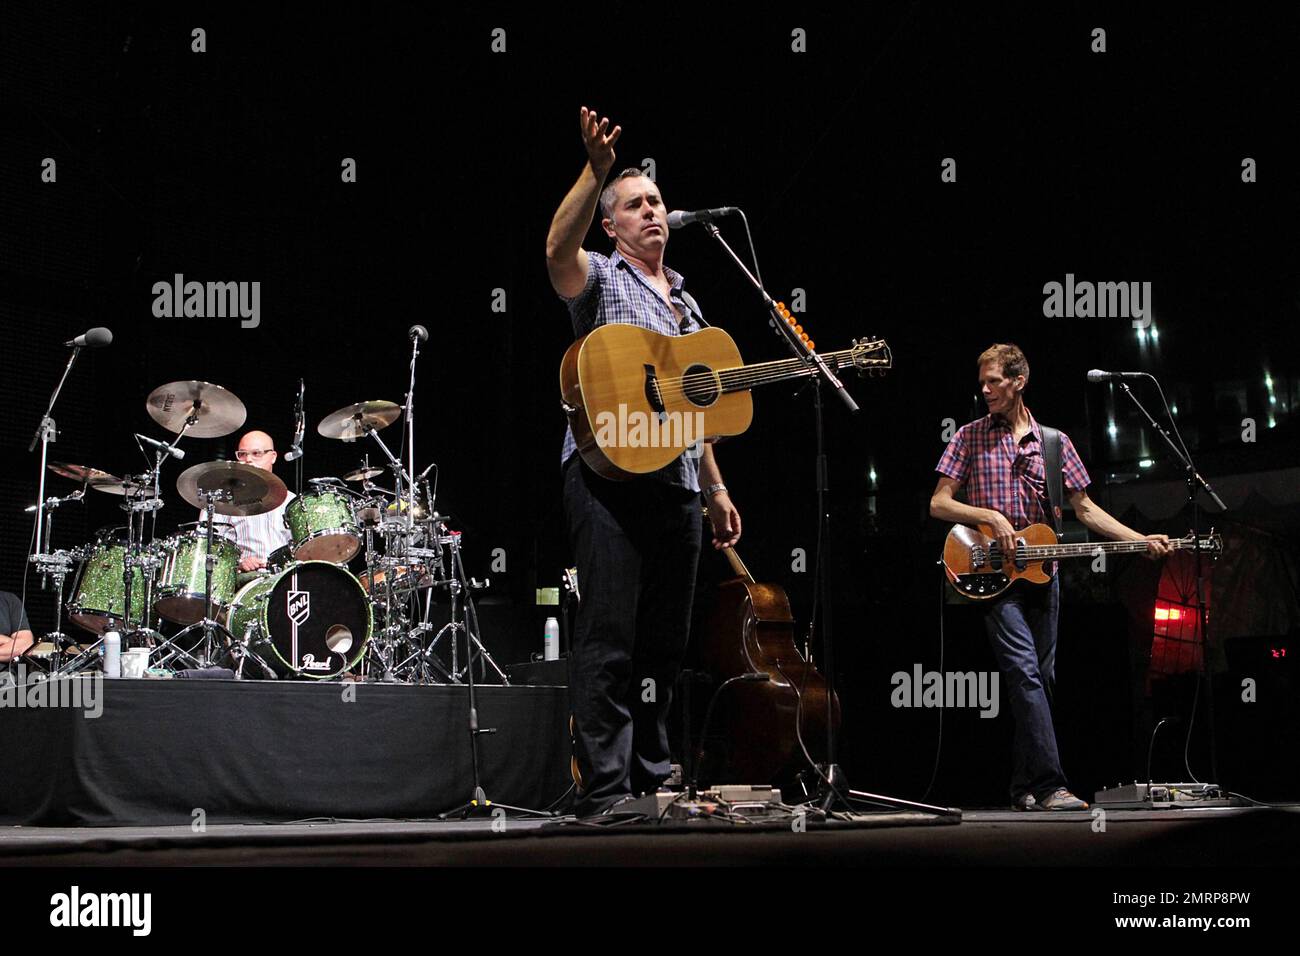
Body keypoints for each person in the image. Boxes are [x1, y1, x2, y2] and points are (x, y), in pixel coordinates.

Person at [546, 106, 742, 816]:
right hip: (605, 476)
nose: (652, 211)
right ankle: (604, 789)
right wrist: (595, 170)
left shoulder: (689, 305)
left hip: (680, 484)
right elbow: (553, 253)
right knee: (610, 635)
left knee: (665, 643)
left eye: (656, 200)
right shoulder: (599, 277)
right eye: (634, 205)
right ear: (612, 225)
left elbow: (700, 410)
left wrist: (716, 488)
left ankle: (653, 778)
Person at [930, 343, 1171, 810]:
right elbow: (939, 503)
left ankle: (1023, 787)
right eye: (981, 382)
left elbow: (1085, 508)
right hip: (991, 574)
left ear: (1019, 381)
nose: (985, 390)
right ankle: (1050, 785)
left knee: (1041, 678)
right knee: (1023, 673)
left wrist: (1138, 539)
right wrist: (989, 516)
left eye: (994, 381)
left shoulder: (1055, 443)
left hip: (1043, 574)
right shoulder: (968, 437)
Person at [200, 430, 295, 575]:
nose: (248, 460)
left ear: (273, 457)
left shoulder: (291, 501)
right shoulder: (219, 501)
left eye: (256, 453)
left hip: (282, 581)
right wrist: (238, 563)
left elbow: (303, 549)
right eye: (242, 454)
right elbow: (203, 550)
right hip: (240, 582)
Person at [0, 590, 35, 664]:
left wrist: (4, 640)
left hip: (6, 674)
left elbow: (26, 644)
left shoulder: (10, 600)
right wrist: (10, 642)